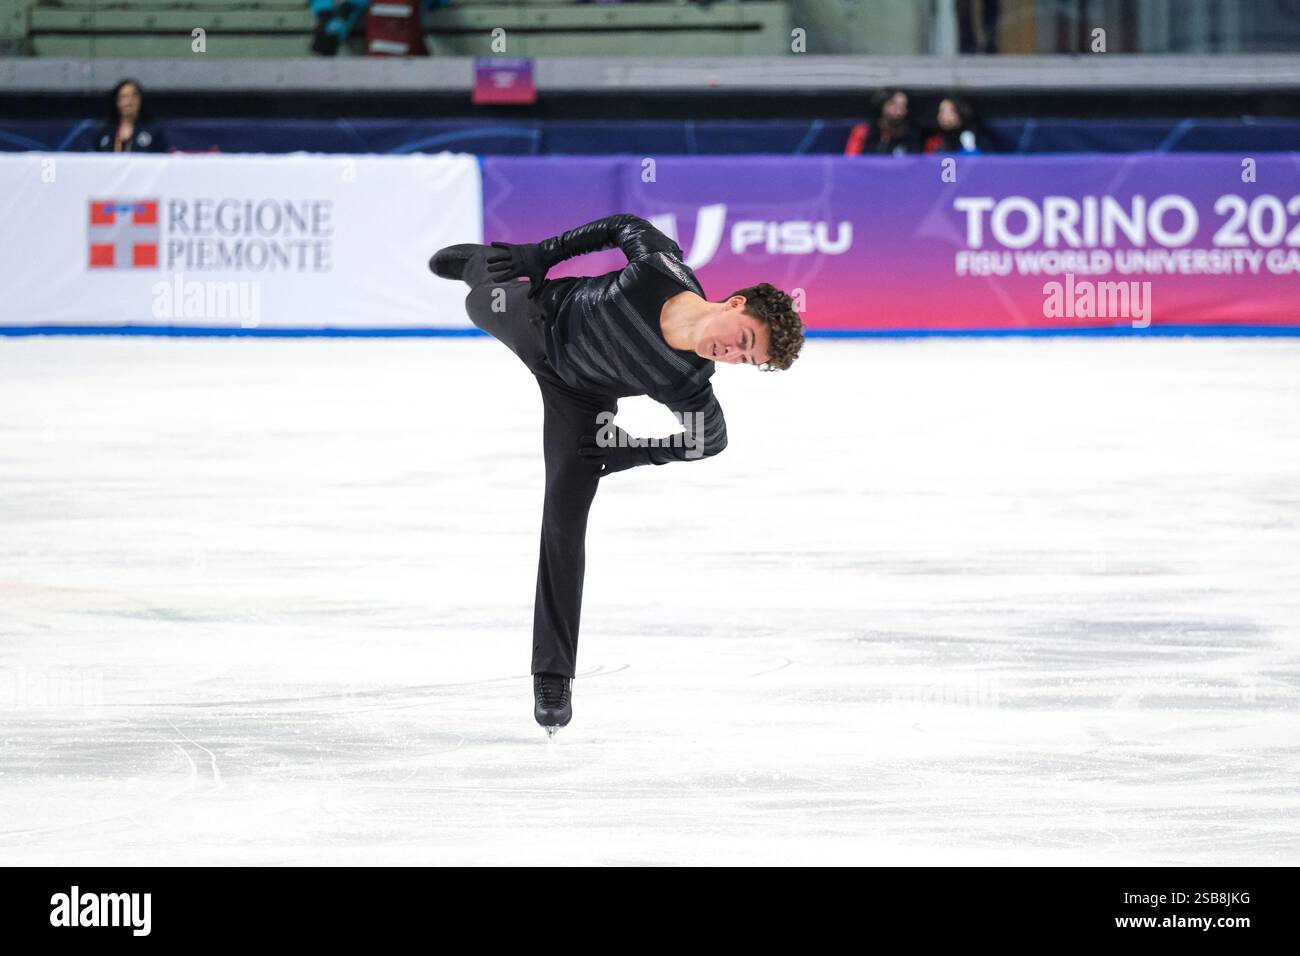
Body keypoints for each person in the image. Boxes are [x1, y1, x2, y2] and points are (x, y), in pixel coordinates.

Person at [429, 214, 804, 737]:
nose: (733, 354)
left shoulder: (688, 381)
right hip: (542, 321)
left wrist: (630, 453)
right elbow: (623, 226)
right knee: (480, 301)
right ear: (735, 303)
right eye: (743, 338)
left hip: (580, 403)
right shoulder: (660, 270)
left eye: (746, 357)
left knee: (563, 520)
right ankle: (478, 264)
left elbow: (710, 440)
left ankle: (552, 676)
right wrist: (542, 254)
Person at [92, 79, 169, 153]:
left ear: (140, 100)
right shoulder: (104, 132)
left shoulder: (154, 131)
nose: (129, 102)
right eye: (124, 97)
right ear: (117, 102)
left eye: (133, 96)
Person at [844, 88, 921, 157]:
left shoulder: (911, 136)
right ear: (882, 106)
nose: (899, 111)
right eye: (893, 105)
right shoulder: (863, 131)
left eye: (903, 106)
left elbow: (915, 165)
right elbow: (850, 161)